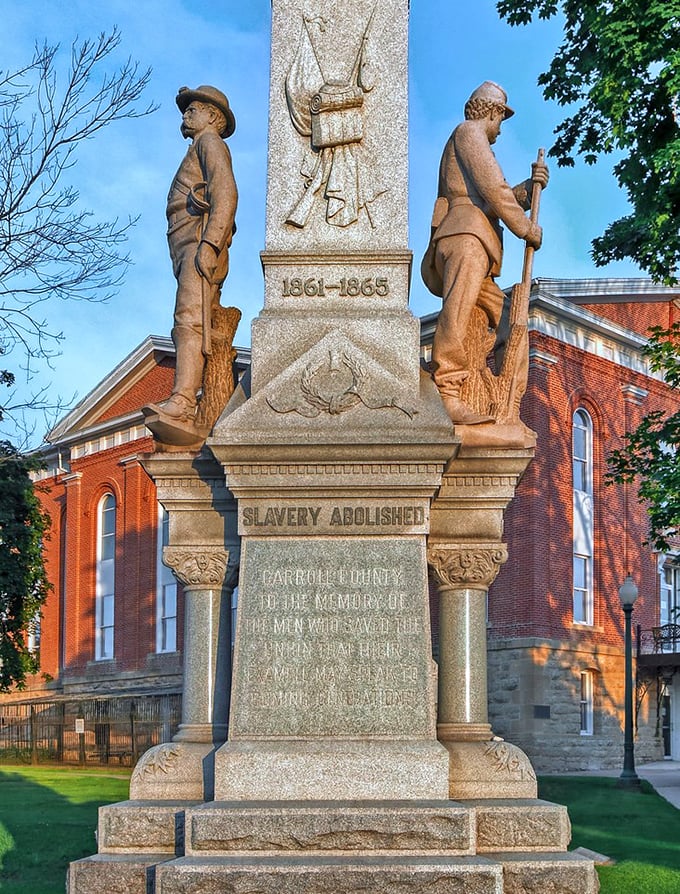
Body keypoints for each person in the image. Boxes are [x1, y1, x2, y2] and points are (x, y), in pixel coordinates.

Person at [421, 81, 548, 424]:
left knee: (507, 316)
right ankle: (447, 390)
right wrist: (525, 227)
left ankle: (506, 399)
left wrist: (529, 189)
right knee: (458, 312)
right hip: (465, 236)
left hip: (475, 234)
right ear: (490, 112)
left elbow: (491, 194)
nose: (500, 130)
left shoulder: (472, 139)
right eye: (500, 121)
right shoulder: (469, 133)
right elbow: (493, 190)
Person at [163, 85, 238, 423]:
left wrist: (210, 244)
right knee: (189, 318)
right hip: (186, 242)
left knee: (189, 318)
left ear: (212, 117)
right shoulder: (198, 147)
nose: (186, 114)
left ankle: (182, 401)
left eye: (193, 109)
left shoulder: (210, 143)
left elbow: (226, 193)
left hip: (199, 241)